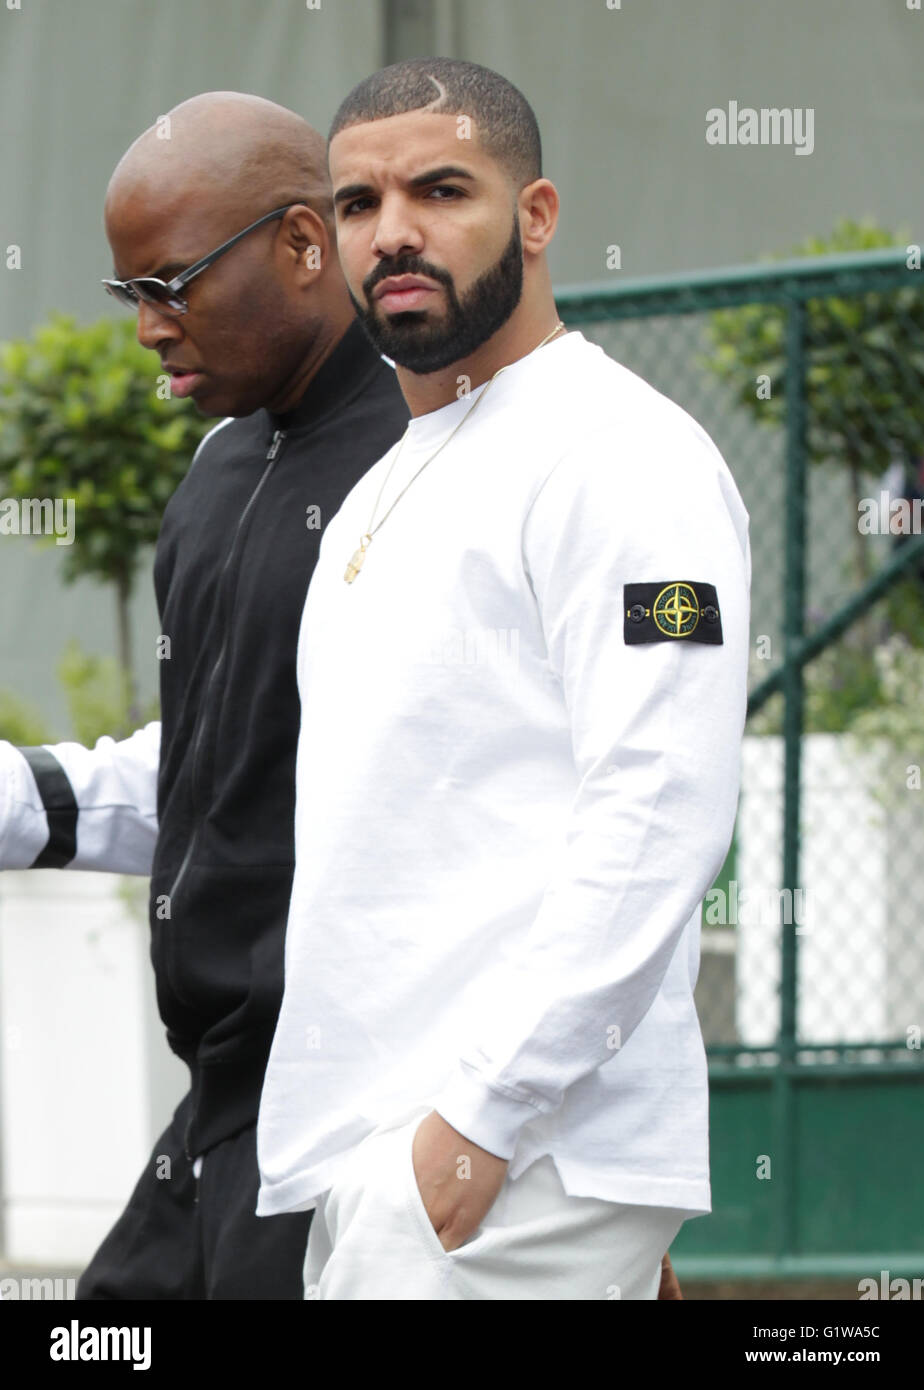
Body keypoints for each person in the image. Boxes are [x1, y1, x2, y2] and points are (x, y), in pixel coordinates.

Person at [256, 57, 751, 1301]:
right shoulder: (387, 477)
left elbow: (657, 802)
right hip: (394, 1160)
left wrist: (482, 1117)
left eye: (440, 190)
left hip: (503, 1159)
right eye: (359, 205)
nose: (395, 233)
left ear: (535, 215)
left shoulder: (620, 455)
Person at [0, 91, 410, 1299]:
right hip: (226, 1101)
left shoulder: (426, 466)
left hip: (361, 1113)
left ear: (299, 244)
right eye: (132, 294)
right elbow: (218, 765)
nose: (148, 330)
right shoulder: (221, 463)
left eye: (171, 284)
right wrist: (26, 799)